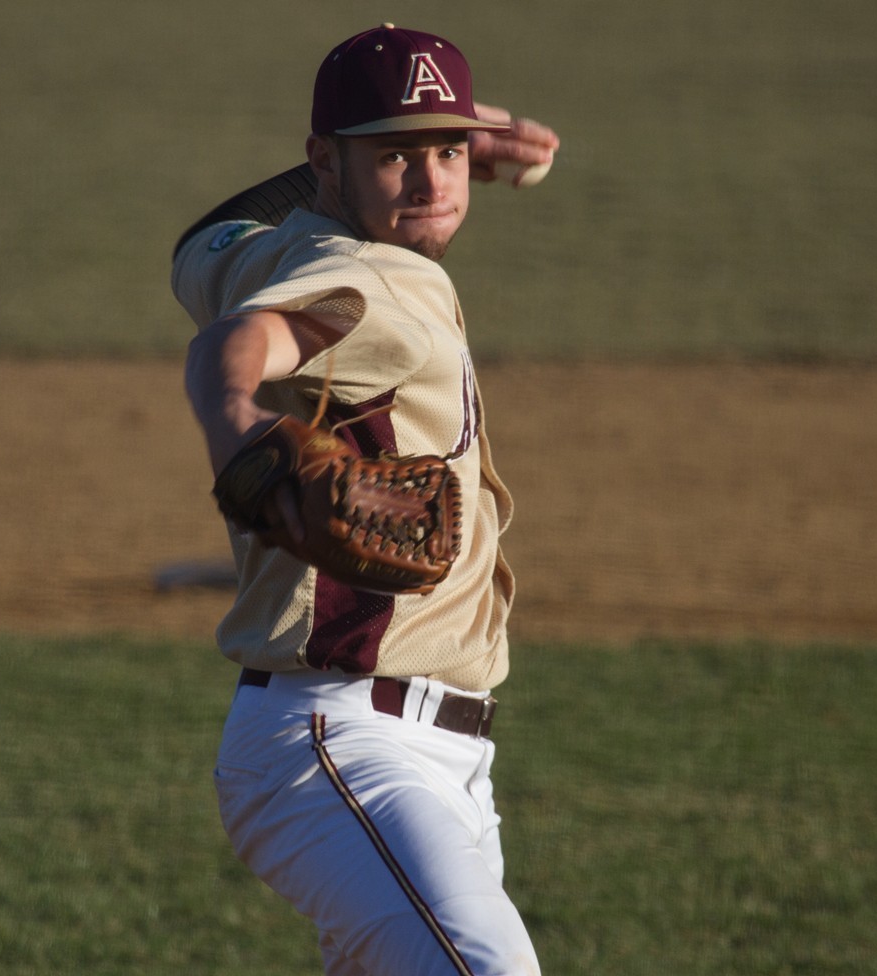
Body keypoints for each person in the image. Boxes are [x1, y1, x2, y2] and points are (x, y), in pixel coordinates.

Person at [172, 23, 559, 976]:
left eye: (448, 150)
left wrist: (404, 141)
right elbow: (233, 348)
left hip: (418, 760)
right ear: (326, 164)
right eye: (395, 155)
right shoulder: (370, 280)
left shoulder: (273, 250)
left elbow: (198, 242)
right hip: (343, 744)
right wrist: (235, 420)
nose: (431, 180)